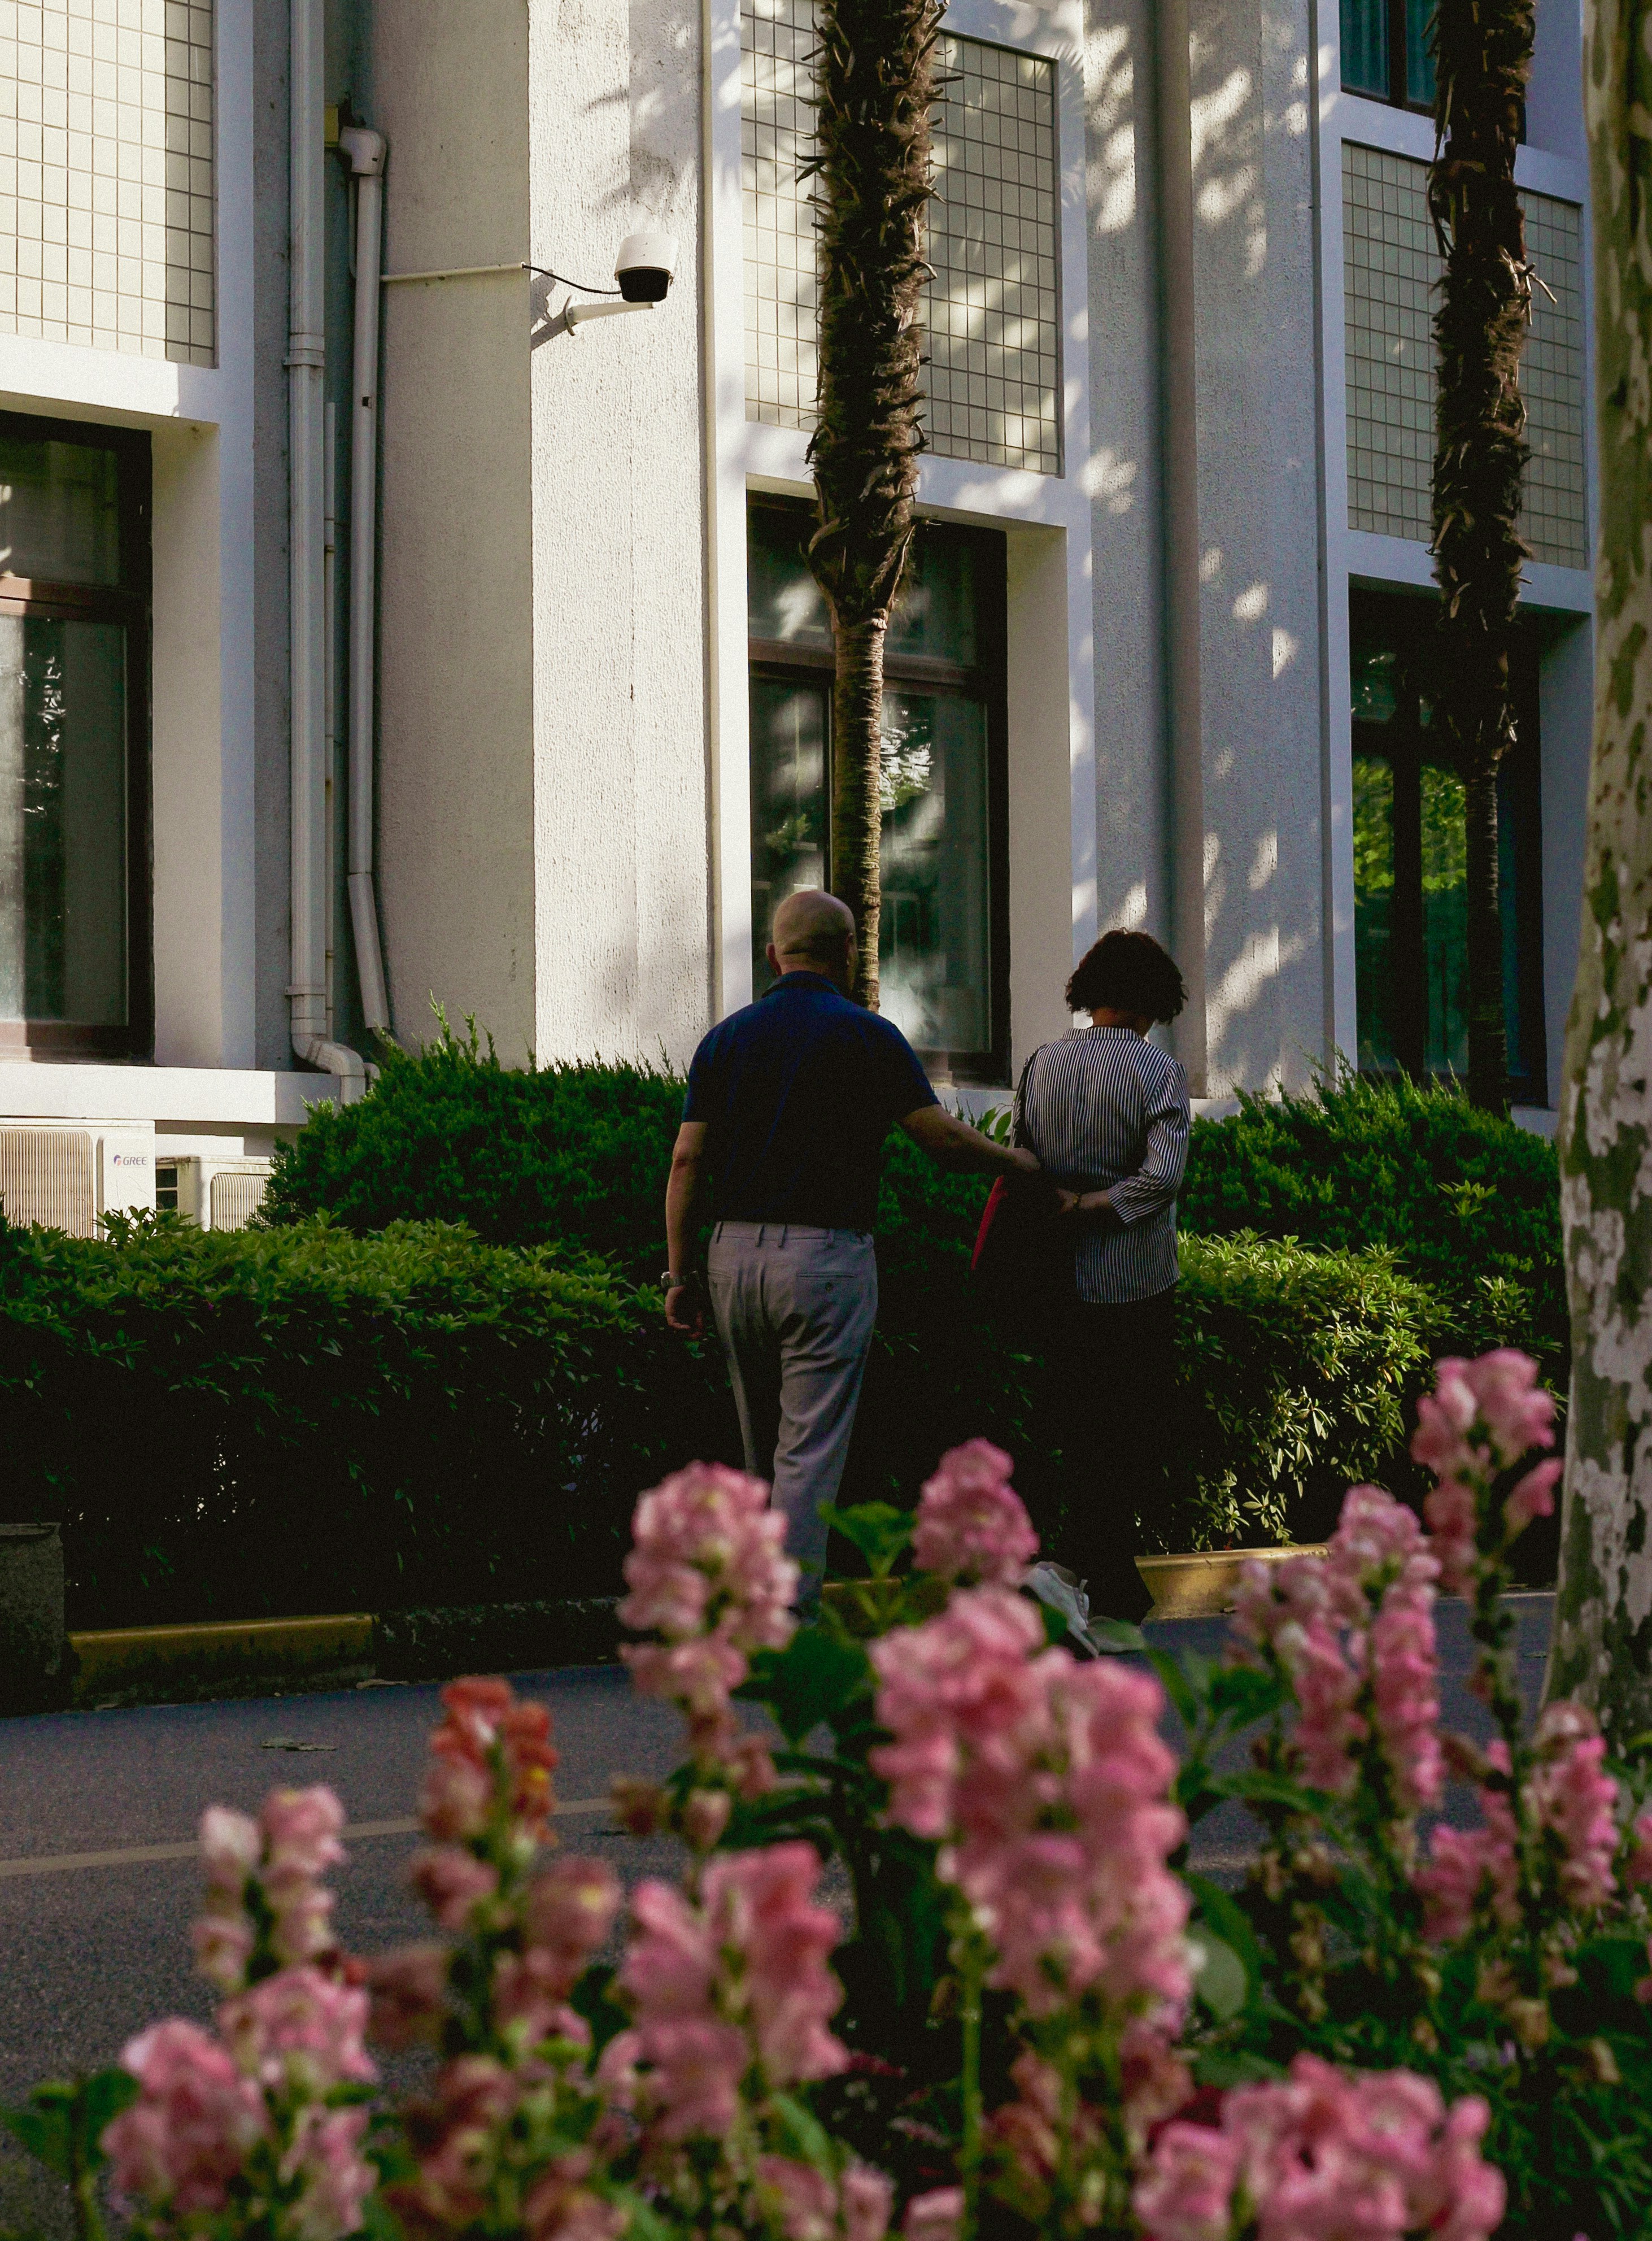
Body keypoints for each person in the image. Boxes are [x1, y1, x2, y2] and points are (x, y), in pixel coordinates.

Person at [662, 888, 1041, 1598]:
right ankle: (788, 1623)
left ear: (774, 955)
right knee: (807, 1454)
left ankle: (749, 1606)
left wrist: (678, 1276)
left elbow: (686, 1162)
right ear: (848, 953)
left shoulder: (725, 1039)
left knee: (757, 1455)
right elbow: (939, 1139)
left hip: (731, 1256)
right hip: (826, 1262)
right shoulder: (865, 1034)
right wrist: (1017, 1162)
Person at [1017, 928, 1191, 1624]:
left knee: (1077, 1424)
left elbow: (1020, 1156)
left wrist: (1061, 1203)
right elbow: (1163, 1178)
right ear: (1153, 1002)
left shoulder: (1040, 1065)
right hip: (1136, 1280)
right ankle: (1109, 1574)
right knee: (1128, 1428)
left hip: (1057, 1275)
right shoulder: (1158, 1074)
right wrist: (1097, 1204)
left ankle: (1085, 1567)